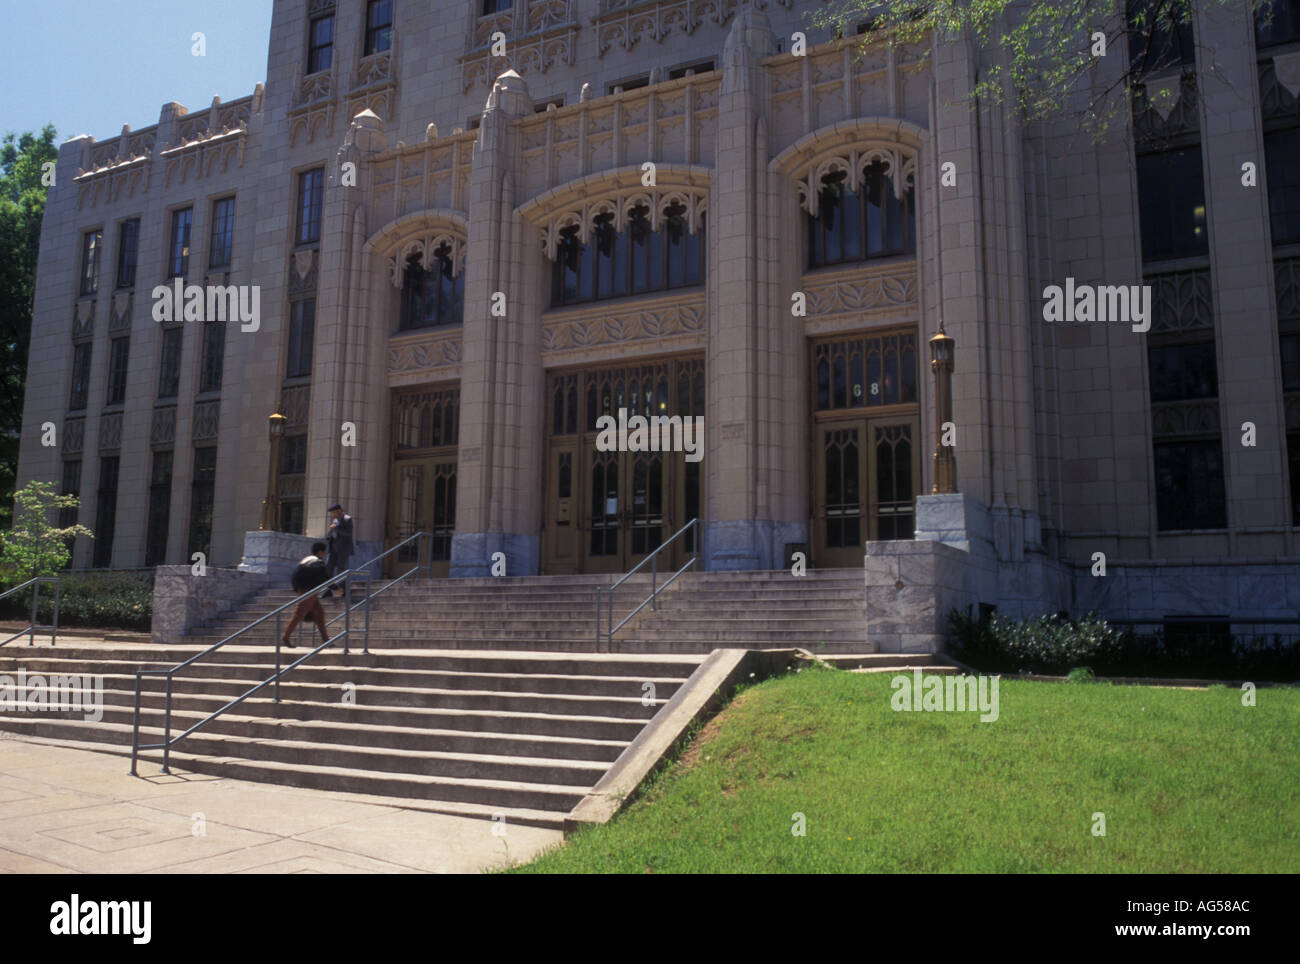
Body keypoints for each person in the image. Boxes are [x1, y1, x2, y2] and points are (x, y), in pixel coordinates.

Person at [282, 542, 330, 647]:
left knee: (319, 613)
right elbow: (325, 578)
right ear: (320, 552)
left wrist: (297, 589)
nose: (325, 554)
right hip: (307, 590)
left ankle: (326, 640)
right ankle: (286, 636)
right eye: (324, 551)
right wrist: (336, 588)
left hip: (305, 588)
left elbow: (296, 575)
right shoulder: (318, 562)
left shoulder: (307, 560)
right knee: (299, 613)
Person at [322, 503, 355, 599]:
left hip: (343, 549)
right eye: (332, 513)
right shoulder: (335, 520)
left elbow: (348, 533)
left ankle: (343, 591)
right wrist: (330, 533)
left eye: (333, 512)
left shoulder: (347, 519)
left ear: (339, 511)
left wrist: (336, 528)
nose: (333, 515)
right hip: (333, 549)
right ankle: (328, 590)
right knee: (328, 568)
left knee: (341, 569)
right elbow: (333, 533)